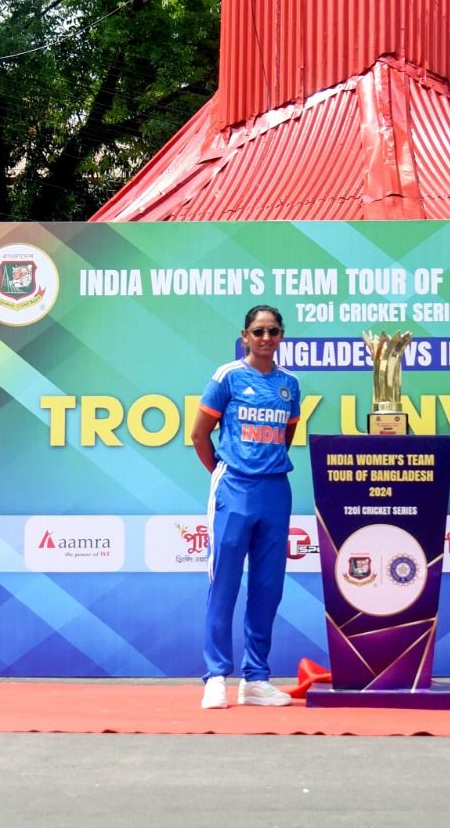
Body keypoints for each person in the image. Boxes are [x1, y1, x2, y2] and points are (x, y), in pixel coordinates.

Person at [191, 303, 301, 709]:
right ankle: (216, 675)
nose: (266, 338)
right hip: (235, 486)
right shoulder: (228, 377)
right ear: (245, 335)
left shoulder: (290, 385)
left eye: (273, 331)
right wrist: (225, 470)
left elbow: (285, 437)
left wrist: (265, 466)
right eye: (258, 331)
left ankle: (255, 677)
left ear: (281, 336)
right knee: (224, 583)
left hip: (275, 491)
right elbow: (199, 435)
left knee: (268, 587)